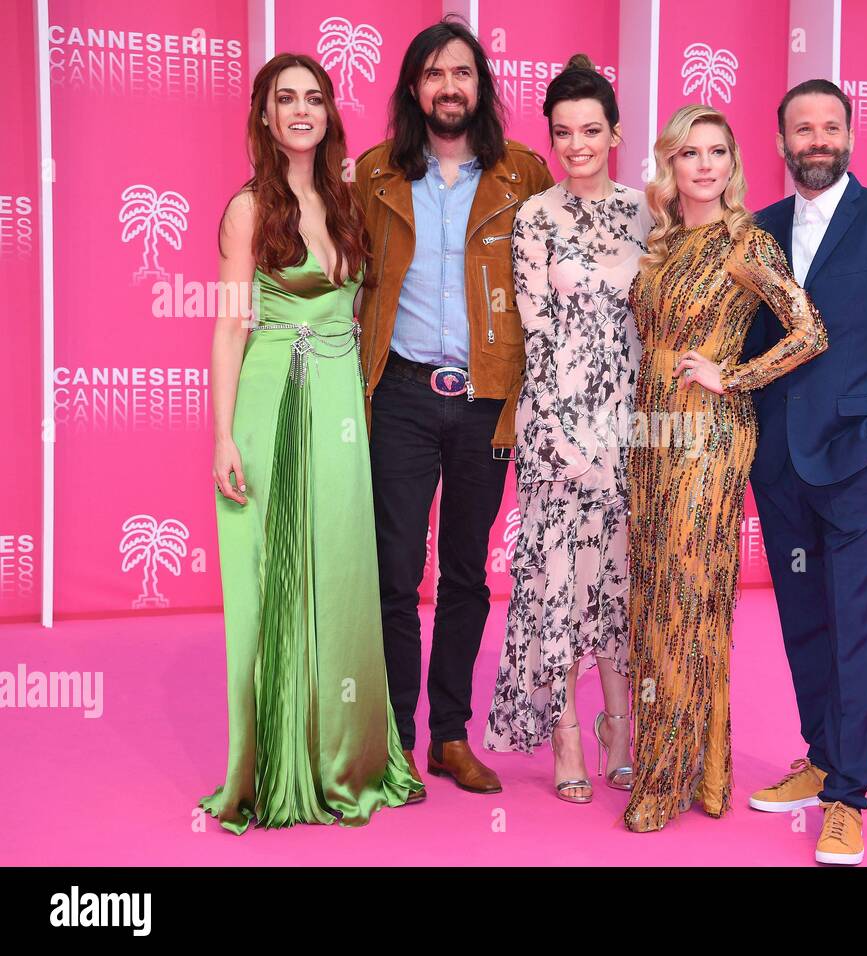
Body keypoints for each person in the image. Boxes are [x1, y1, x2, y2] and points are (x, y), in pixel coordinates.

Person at [201, 53, 423, 835]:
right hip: (272, 399)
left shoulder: (348, 198)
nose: (301, 110)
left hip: (337, 401)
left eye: (314, 98)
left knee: (341, 573)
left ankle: (348, 755)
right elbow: (231, 325)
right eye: (284, 99)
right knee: (278, 574)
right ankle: (279, 764)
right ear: (264, 116)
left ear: (330, 111)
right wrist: (222, 434)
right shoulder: (245, 209)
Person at [354, 17, 554, 795]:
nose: (448, 86)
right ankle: (395, 738)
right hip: (400, 394)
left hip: (486, 401)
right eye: (434, 73)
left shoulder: (522, 175)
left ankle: (448, 735)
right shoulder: (373, 175)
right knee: (394, 574)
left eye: (462, 73)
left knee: (467, 575)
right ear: (414, 87)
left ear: (481, 86)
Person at [622, 104, 828, 833]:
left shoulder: (748, 243)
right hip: (649, 431)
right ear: (671, 165)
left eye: (717, 152)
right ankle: (686, 768)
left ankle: (665, 779)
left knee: (685, 596)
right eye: (690, 153)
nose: (705, 165)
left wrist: (733, 377)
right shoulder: (665, 240)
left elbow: (810, 331)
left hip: (708, 434)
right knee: (653, 600)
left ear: (732, 164)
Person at [743, 80, 867, 864]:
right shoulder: (758, 230)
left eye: (829, 127)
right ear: (782, 142)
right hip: (779, 464)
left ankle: (849, 795)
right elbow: (753, 344)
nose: (816, 140)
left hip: (855, 462)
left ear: (849, 136)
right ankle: (820, 757)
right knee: (802, 620)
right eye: (802, 129)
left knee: (854, 630)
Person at [483, 55, 651, 804]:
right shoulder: (536, 216)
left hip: (630, 429)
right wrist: (565, 437)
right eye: (563, 132)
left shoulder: (649, 212)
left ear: (615, 132)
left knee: (616, 584)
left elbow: (654, 328)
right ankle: (564, 734)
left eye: (591, 130)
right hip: (557, 430)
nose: (577, 144)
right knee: (559, 586)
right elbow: (536, 331)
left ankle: (620, 723)